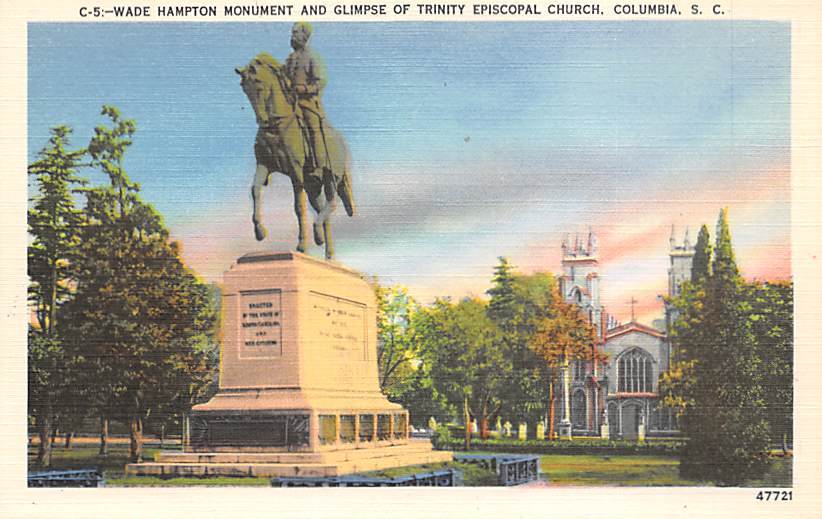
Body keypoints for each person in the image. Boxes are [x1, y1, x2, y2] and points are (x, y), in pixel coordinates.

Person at [285, 22, 329, 176]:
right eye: (292, 33)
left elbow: (321, 81)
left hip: (308, 103)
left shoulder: (311, 56)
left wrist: (304, 89)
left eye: (296, 33)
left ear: (305, 36)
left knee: (313, 129)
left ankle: (319, 167)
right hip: (291, 104)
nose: (292, 36)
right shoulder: (289, 59)